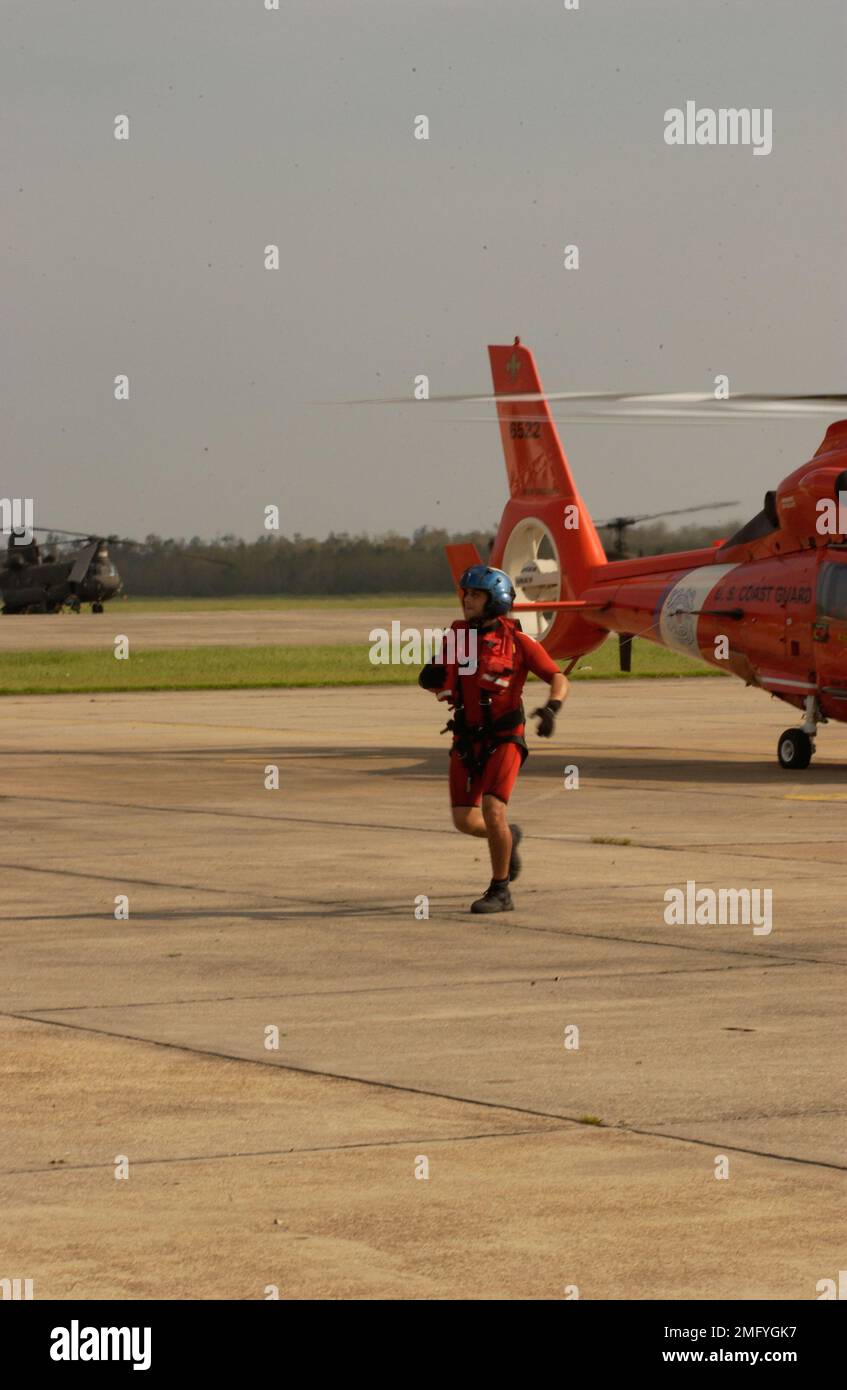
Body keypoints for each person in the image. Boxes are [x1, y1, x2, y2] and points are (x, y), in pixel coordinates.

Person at [419, 564, 567, 913]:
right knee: (465, 820)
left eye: (475, 594)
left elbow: (558, 678)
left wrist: (551, 710)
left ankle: (500, 891)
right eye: (466, 593)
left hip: (505, 737)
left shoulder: (519, 642)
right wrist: (431, 675)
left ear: (496, 600)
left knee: (493, 809)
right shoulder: (456, 637)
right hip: (467, 740)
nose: (467, 599)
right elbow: (434, 678)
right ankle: (508, 838)